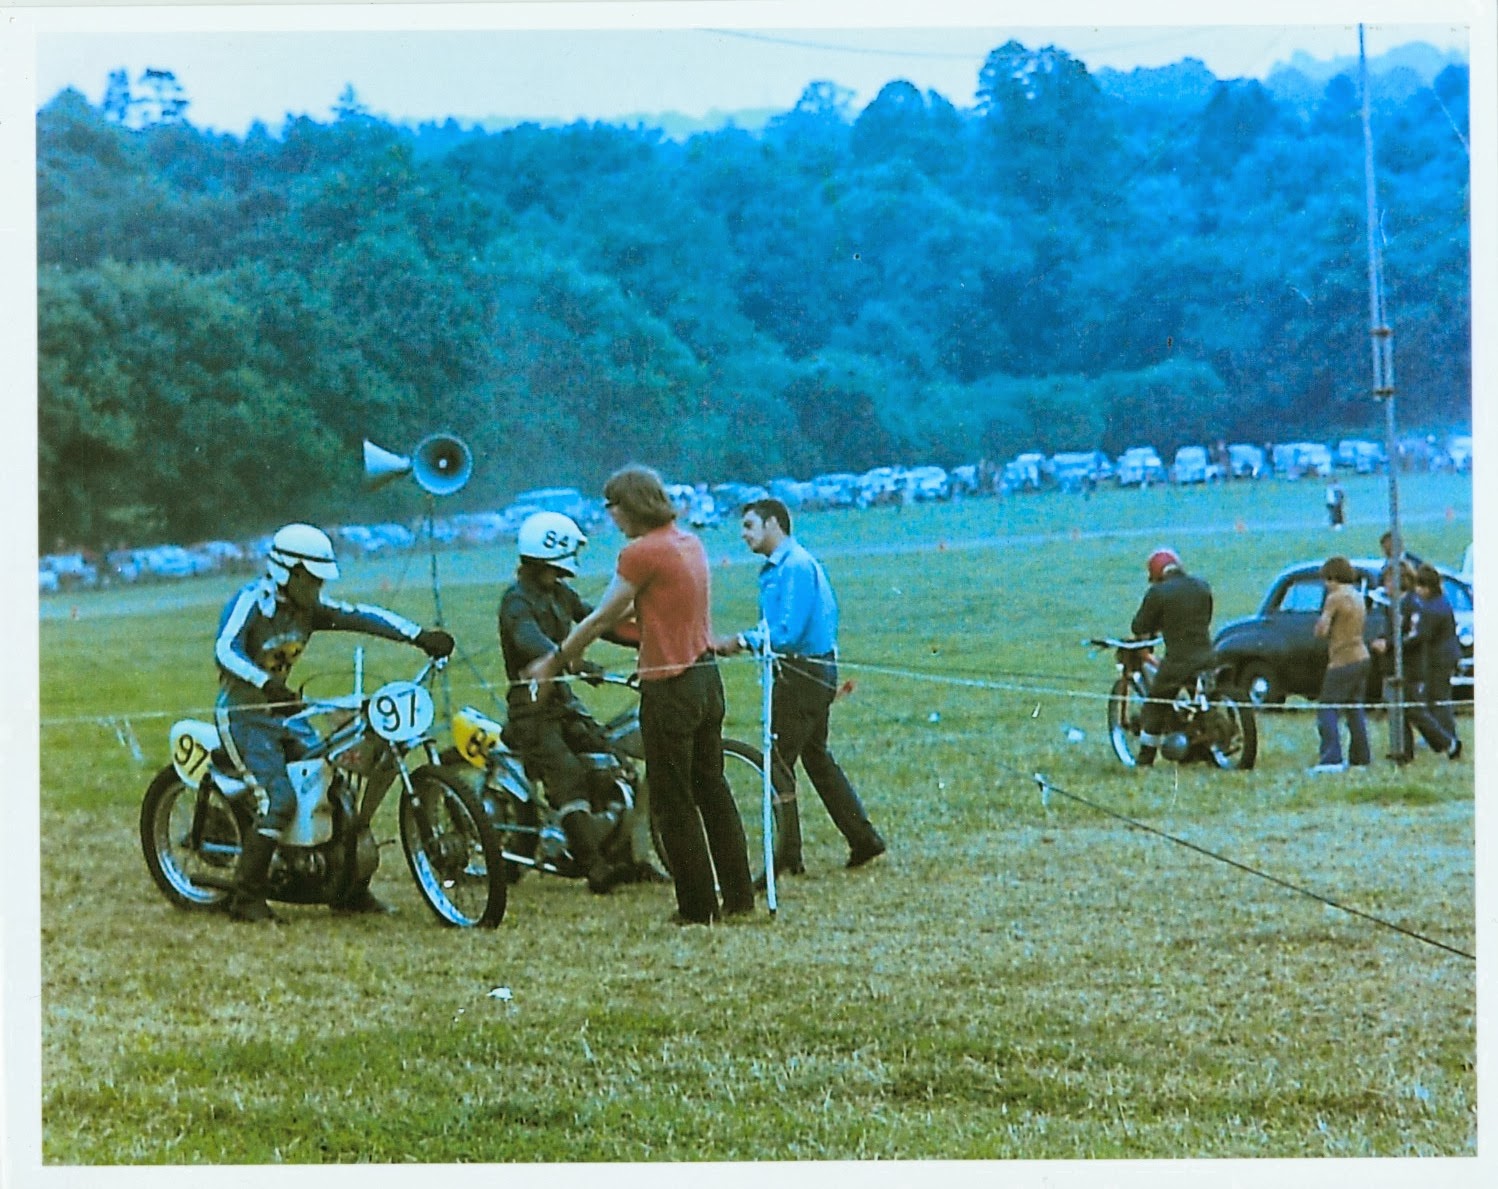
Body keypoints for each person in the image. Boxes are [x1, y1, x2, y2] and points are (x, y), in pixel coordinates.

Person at [524, 465, 755, 926]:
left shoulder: (641, 553)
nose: (611, 518)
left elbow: (601, 618)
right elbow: (645, 610)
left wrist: (556, 660)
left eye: (612, 507)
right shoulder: (688, 543)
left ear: (630, 506)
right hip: (707, 678)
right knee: (712, 788)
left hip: (671, 687)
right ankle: (738, 895)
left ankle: (696, 906)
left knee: (673, 801)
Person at [215, 523, 454, 923]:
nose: (316, 588)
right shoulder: (251, 602)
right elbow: (225, 649)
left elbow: (360, 616)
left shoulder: (309, 608)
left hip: (287, 712)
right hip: (243, 717)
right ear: (285, 571)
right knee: (280, 800)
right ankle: (246, 896)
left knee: (335, 791)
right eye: (310, 579)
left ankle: (347, 889)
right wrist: (264, 683)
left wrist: (418, 636)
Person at [720, 499, 885, 887]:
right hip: (814, 670)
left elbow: (788, 632)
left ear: (773, 524)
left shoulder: (793, 567)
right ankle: (863, 838)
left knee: (776, 763)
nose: (743, 535)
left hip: (802, 674)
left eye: (749, 526)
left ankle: (786, 855)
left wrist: (740, 641)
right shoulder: (788, 566)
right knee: (815, 757)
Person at [497, 511, 663, 893]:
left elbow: (596, 622)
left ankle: (629, 859)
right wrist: (574, 660)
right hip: (532, 709)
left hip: (563, 701)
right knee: (568, 776)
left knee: (612, 762)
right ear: (549, 549)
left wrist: (647, 637)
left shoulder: (557, 592)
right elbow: (529, 641)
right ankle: (593, 867)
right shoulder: (516, 602)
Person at [1129, 548, 1215, 767]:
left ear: (1157, 574)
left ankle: (1145, 757)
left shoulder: (1159, 592)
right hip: (1208, 656)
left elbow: (1140, 625)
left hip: (1179, 661)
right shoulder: (1201, 585)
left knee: (1156, 703)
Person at [1371, 562, 1459, 763]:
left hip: (1411, 666)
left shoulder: (1415, 605)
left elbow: (1416, 636)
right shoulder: (1394, 605)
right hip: (1395, 665)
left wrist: (1390, 645)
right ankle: (1403, 752)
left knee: (1414, 710)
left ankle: (1447, 742)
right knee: (1399, 710)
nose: (1385, 585)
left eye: (1388, 580)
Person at [1308, 556, 1370, 772]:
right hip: (1361, 655)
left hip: (1342, 658)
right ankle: (1361, 758)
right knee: (1355, 709)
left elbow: (1322, 630)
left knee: (1327, 708)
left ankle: (1331, 758)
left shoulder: (1335, 598)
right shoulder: (1357, 595)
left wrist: (1319, 624)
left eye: (1326, 580)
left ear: (1332, 577)